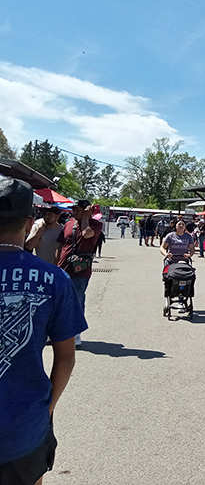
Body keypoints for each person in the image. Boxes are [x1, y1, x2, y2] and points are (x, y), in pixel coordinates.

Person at [0, 177, 87, 485]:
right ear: (28, 221)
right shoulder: (54, 280)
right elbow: (66, 358)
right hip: (25, 424)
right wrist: (47, 408)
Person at [56, 199, 103, 347]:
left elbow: (87, 234)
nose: (74, 211)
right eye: (73, 209)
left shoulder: (95, 225)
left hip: (80, 270)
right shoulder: (68, 224)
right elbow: (61, 244)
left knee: (77, 300)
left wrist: (85, 218)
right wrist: (55, 263)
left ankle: (75, 332)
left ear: (86, 210)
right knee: (59, 300)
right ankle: (59, 331)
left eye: (77, 209)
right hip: (63, 267)